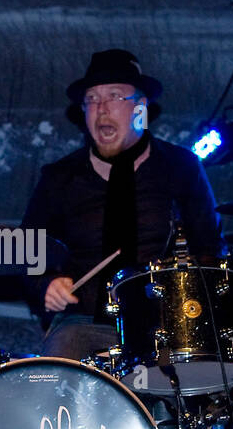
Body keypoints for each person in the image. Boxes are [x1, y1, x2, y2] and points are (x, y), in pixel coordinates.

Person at [21, 49, 221, 360]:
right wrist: (44, 284)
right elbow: (26, 249)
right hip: (83, 321)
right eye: (92, 99)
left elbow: (209, 247)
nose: (101, 109)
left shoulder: (182, 168)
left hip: (165, 321)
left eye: (114, 96)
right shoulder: (60, 178)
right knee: (58, 366)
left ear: (140, 109)